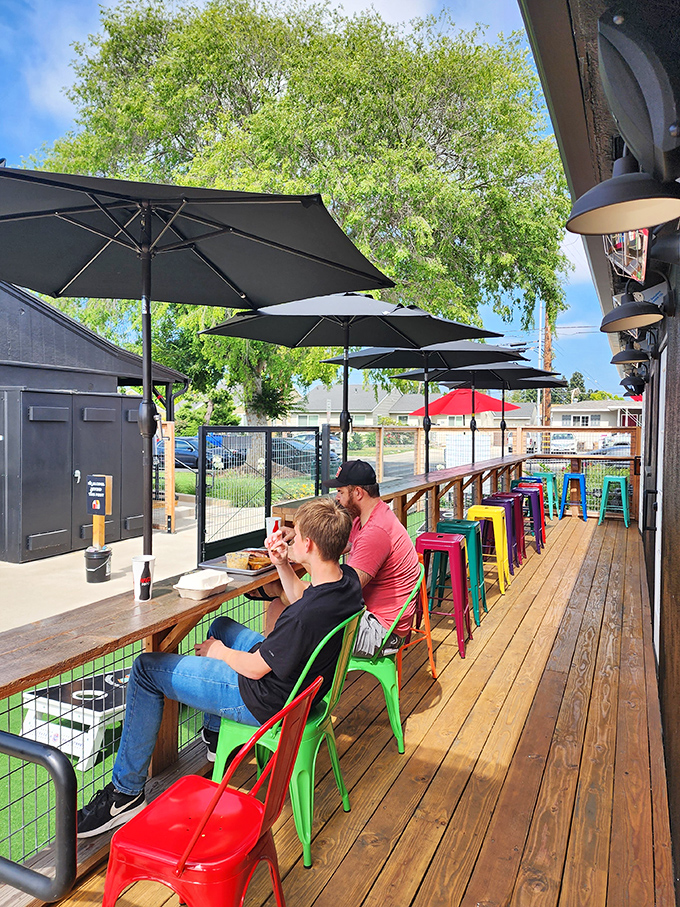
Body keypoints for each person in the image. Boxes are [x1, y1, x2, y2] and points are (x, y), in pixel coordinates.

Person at [76, 497, 362, 839]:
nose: (289, 539)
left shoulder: (304, 619)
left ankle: (125, 794)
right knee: (223, 623)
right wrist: (282, 564)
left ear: (309, 544)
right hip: (300, 690)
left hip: (262, 699)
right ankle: (215, 738)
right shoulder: (345, 582)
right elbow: (302, 597)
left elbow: (256, 668)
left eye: (295, 536)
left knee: (146, 669)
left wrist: (219, 652)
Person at [266, 460, 421, 658]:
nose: (337, 498)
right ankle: (278, 670)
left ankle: (283, 675)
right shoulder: (367, 518)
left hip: (382, 631)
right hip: (373, 616)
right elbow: (337, 544)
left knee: (293, 604)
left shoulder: (375, 532)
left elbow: (342, 593)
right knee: (280, 605)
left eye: (340, 492)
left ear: (357, 493)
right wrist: (300, 536)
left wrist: (300, 555)